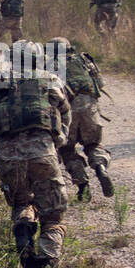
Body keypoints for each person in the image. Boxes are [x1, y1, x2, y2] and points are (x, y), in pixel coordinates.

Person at [0, 42, 72, 268]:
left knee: (21, 202)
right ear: (38, 58)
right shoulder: (52, 81)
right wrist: (57, 139)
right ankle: (47, 262)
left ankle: (24, 236)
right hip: (43, 153)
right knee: (53, 214)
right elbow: (65, 114)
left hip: (8, 156)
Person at [50, 37, 113, 200]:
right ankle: (100, 168)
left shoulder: (48, 65)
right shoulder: (84, 60)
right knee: (93, 144)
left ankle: (83, 187)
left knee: (67, 150)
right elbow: (100, 83)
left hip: (67, 111)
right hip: (89, 108)